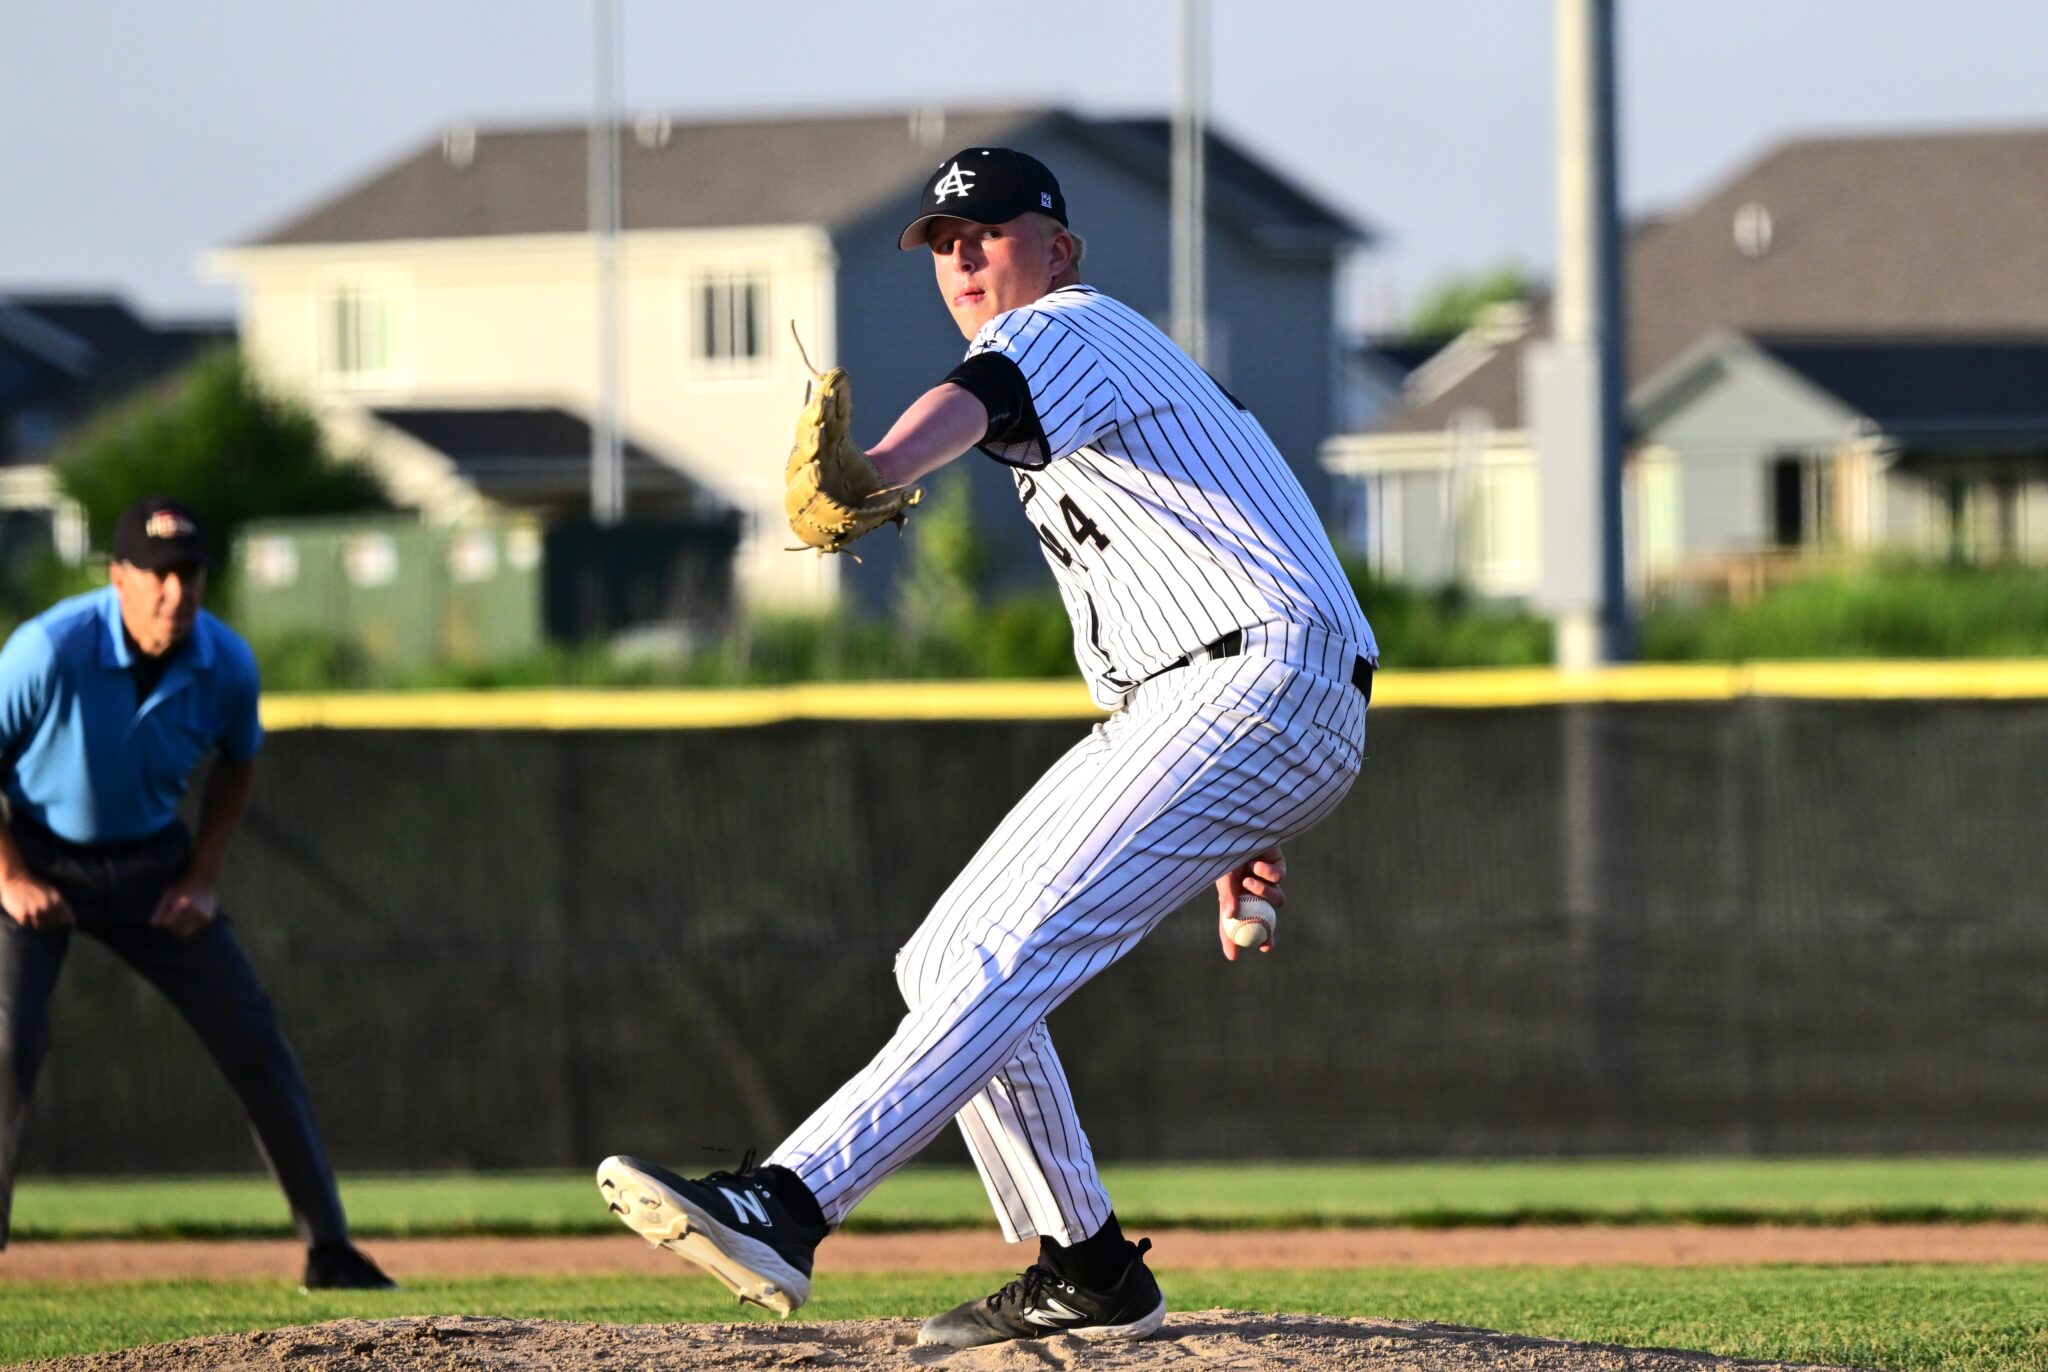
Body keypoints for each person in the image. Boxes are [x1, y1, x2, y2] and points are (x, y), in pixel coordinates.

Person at [597, 147, 1375, 1347]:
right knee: (945, 963)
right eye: (941, 243)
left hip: (1249, 683)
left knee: (991, 949)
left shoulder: (1072, 321)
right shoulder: (1098, 384)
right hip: (1233, 697)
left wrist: (878, 470)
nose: (961, 256)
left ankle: (786, 1199)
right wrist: (1239, 817)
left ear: (1056, 248)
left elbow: (981, 398)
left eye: (988, 231)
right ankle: (1089, 1266)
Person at [0, 496, 392, 1291]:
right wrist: (9, 876)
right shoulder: (46, 649)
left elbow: (239, 761)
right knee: (9, 1041)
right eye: (156, 575)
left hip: (154, 869)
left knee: (253, 1038)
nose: (174, 593)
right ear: (119, 578)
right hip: (38, 862)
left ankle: (330, 1249)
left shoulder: (226, 662)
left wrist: (202, 877)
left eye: (188, 575)